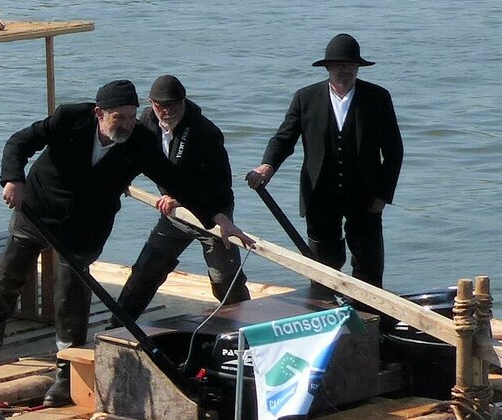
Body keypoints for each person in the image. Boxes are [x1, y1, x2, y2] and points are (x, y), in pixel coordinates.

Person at [0, 80, 173, 407]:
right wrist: (13, 178)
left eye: (130, 117)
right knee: (10, 269)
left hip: (87, 223)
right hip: (39, 205)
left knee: (71, 290)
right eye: (118, 118)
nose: (126, 125)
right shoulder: (70, 118)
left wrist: (200, 206)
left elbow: (170, 175)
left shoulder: (139, 139)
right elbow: (19, 142)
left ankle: (65, 369)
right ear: (99, 113)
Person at [246, 33, 403, 290]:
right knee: (322, 264)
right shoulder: (305, 98)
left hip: (366, 195)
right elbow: (284, 139)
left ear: (358, 68)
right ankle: (323, 313)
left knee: (369, 263)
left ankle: (373, 320)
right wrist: (267, 166)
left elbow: (394, 150)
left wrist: (383, 195)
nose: (345, 71)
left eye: (350, 65)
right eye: (339, 65)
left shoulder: (377, 98)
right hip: (320, 194)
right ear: (328, 67)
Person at [115, 74, 252, 321]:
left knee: (224, 279)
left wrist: (180, 199)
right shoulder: (146, 121)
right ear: (151, 103)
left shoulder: (205, 133)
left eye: (173, 105)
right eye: (160, 106)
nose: (166, 111)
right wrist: (122, 176)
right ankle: (119, 325)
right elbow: (136, 154)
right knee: (146, 270)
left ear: (184, 101)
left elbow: (220, 185)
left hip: (211, 215)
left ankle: (247, 324)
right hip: (173, 217)